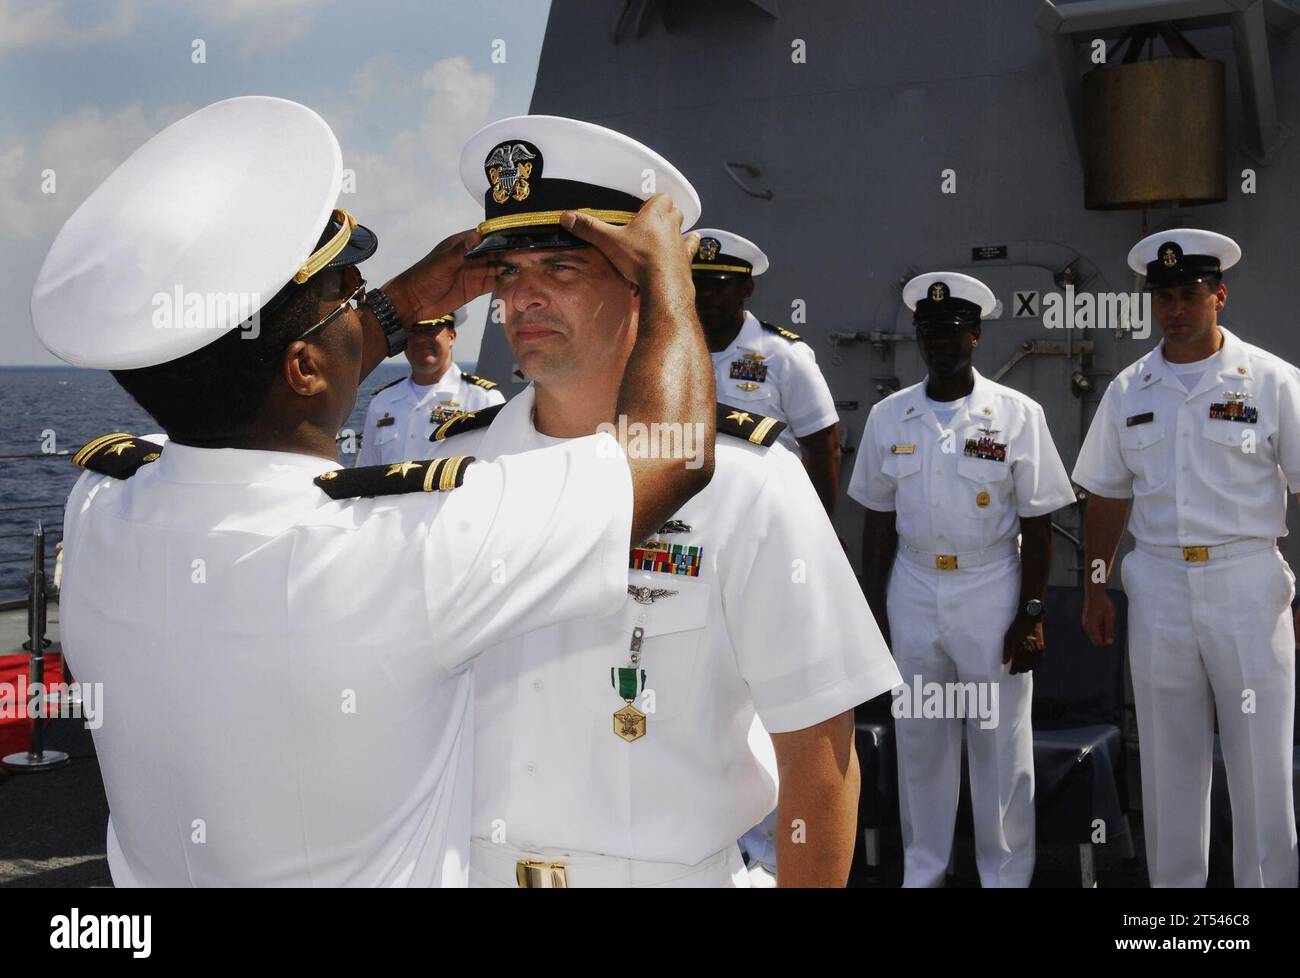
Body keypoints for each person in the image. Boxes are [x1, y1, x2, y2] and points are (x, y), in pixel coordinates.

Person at [29, 96, 715, 887]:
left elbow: (223, 391)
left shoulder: (103, 504)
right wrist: (669, 282)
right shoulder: (407, 543)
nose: (368, 311)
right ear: (304, 369)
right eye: (348, 303)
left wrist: (388, 306)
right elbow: (676, 454)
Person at [425, 114, 901, 888]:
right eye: (510, 274)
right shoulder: (448, 472)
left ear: (647, 289)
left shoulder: (751, 483)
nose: (525, 298)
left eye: (564, 269)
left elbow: (819, 756)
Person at [1074, 229, 1299, 888]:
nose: (1175, 308)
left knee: (1261, 765)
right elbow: (1109, 495)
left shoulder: (1273, 381)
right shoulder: (1129, 390)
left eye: (1189, 294)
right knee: (1168, 768)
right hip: (1160, 588)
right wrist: (1095, 585)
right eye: (1164, 297)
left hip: (1247, 584)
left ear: (1219, 296)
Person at [850, 272, 1076, 887]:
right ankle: (925, 872)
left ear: (976, 336)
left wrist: (1030, 614)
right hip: (915, 584)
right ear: (918, 338)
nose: (940, 342)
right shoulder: (889, 417)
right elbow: (877, 520)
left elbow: (1039, 522)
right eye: (929, 331)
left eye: (953, 331)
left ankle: (1005, 875)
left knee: (999, 741)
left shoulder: (1015, 415)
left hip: (991, 585)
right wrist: (875, 608)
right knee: (921, 736)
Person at [691, 228, 842, 513]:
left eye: (719, 286)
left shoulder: (784, 355)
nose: (706, 296)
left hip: (763, 512)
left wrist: (814, 528)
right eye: (698, 284)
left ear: (746, 289)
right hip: (688, 513)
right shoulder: (665, 350)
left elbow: (824, 448)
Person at [355, 305, 504, 466]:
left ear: (452, 336)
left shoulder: (483, 399)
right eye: (413, 332)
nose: (420, 339)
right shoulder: (382, 402)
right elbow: (366, 470)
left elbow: (497, 469)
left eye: (431, 330)